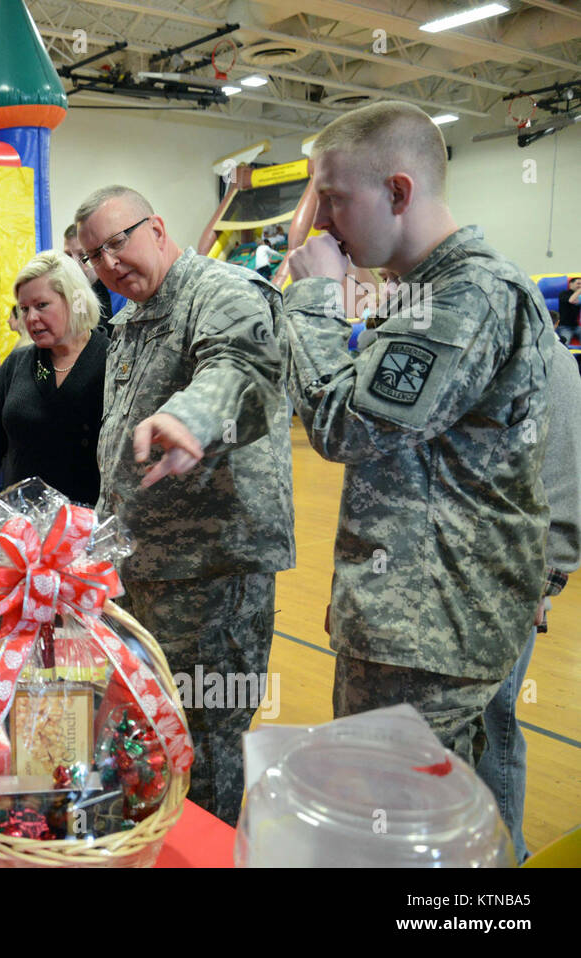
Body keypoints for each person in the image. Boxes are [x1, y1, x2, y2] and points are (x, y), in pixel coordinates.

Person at [282, 101, 553, 770]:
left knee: (390, 821)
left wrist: (318, 298)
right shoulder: (430, 292)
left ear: (398, 192)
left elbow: (347, 426)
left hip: (431, 635)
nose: (320, 223)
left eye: (335, 200)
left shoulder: (466, 296)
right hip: (422, 623)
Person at [75, 185, 294, 826]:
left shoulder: (222, 292)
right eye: (94, 255)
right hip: (141, 570)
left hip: (211, 574)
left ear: (158, 226)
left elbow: (239, 368)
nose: (109, 263)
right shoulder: (131, 319)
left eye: (119, 241)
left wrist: (189, 417)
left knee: (206, 747)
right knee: (149, 733)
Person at [476, 333, 581, 863]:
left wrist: (542, 576)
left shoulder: (541, 350)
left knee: (493, 729)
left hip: (507, 580)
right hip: (447, 582)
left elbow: (562, 477)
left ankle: (505, 860)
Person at [0, 251, 107, 508]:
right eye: (24, 309)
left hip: (87, 534)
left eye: (42, 305)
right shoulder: (18, 364)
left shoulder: (110, 361)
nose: (31, 318)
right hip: (21, 532)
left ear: (74, 300)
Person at [64, 222, 114, 328]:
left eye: (83, 255)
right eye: (68, 255)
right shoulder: (69, 295)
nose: (74, 264)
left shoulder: (120, 293)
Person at [557, 276, 580, 346]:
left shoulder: (579, 296)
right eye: (578, 284)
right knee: (564, 346)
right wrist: (579, 291)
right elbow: (571, 300)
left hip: (576, 326)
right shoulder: (563, 294)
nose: (580, 286)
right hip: (565, 327)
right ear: (570, 284)